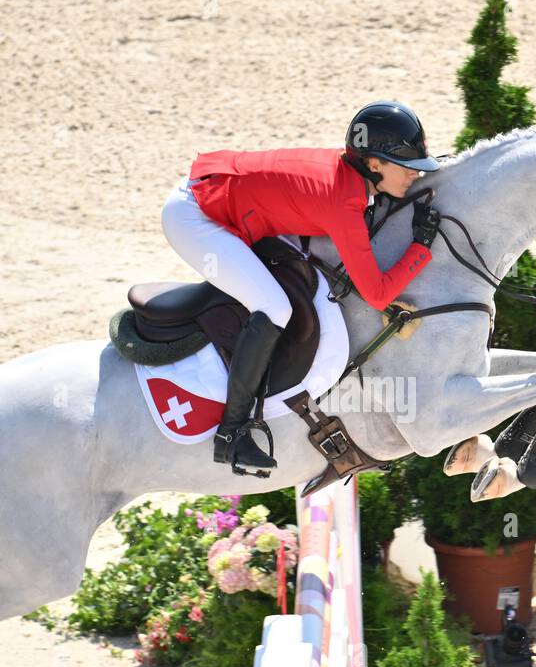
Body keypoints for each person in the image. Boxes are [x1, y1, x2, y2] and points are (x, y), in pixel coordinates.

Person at [160, 100, 442, 476]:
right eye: (407, 167)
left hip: (219, 198)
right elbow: (376, 295)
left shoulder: (352, 175)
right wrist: (421, 247)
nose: (414, 176)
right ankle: (232, 433)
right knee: (274, 306)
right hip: (195, 218)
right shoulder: (342, 200)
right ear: (374, 165)